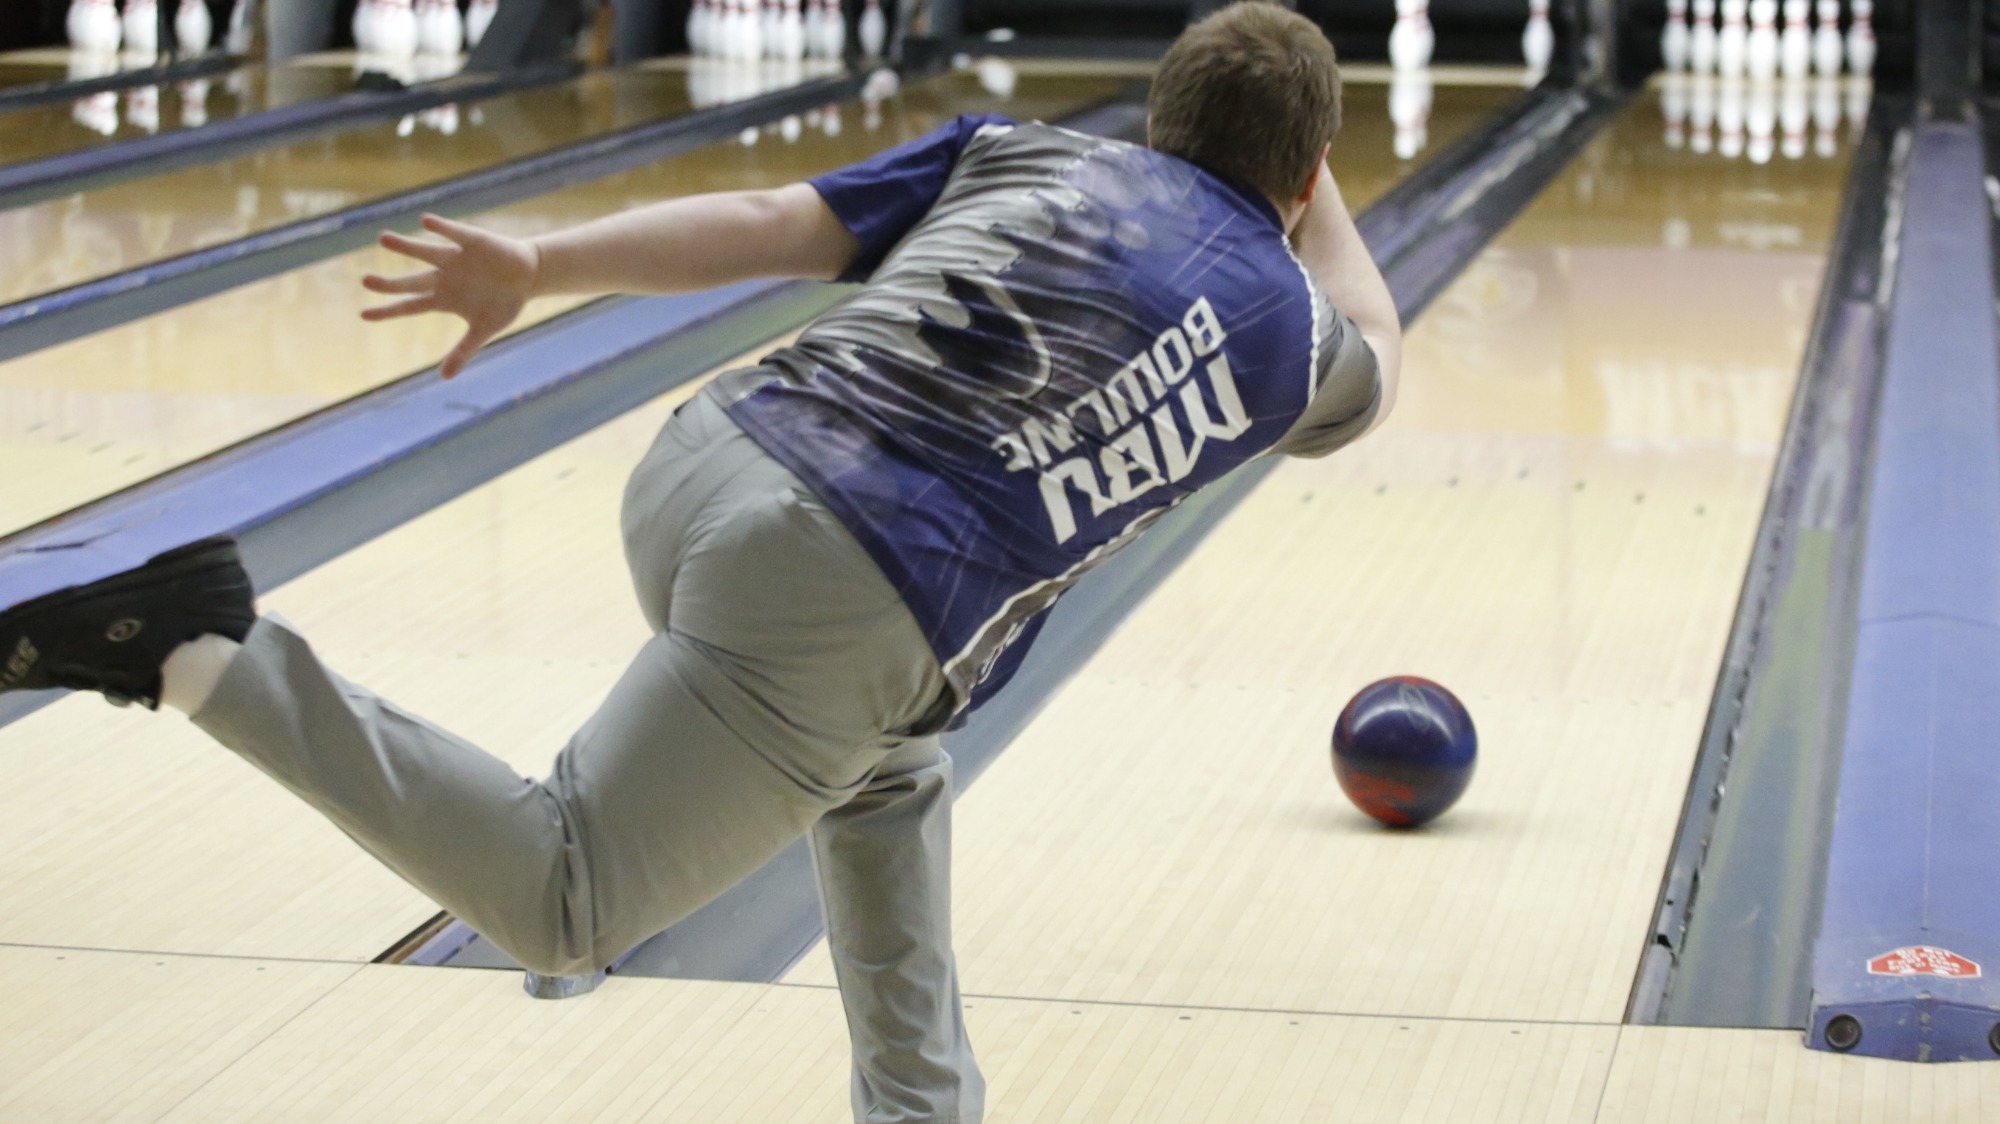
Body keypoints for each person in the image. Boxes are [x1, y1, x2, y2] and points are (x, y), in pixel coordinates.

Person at [0, 3, 1399, 1120]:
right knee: (563, 900)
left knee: (886, 762)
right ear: (1305, 177)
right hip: (846, 588)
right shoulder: (1288, 338)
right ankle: (196, 653)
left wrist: (536, 265)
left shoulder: (1024, 151)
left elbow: (771, 223)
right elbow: (1381, 345)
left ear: (1156, 120)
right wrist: (1309, 192)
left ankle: (921, 1107)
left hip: (711, 457)